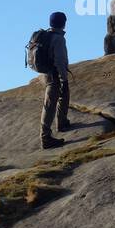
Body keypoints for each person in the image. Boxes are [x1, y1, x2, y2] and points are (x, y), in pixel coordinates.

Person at [40, 11, 71, 149]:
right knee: (50, 105)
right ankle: (45, 138)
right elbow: (59, 60)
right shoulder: (58, 39)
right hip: (54, 74)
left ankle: (62, 122)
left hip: (47, 73)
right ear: (63, 23)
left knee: (63, 96)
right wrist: (64, 78)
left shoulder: (48, 35)